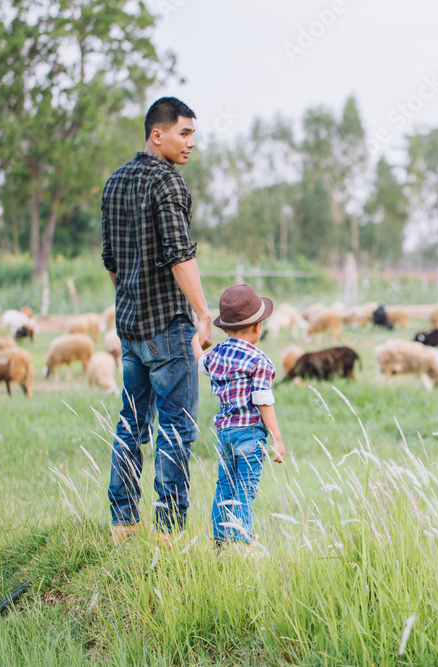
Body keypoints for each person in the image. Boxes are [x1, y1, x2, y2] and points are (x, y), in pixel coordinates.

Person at [101, 97, 214, 545]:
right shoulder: (168, 182)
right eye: (184, 133)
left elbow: (111, 259)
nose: (190, 143)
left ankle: (123, 526)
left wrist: (129, 297)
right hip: (167, 326)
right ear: (157, 134)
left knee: (130, 424)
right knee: (177, 429)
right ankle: (170, 534)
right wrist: (204, 315)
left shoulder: (114, 183)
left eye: (193, 134)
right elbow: (179, 255)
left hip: (129, 327)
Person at [191, 284, 286, 549]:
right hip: (250, 434)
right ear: (258, 327)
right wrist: (277, 439)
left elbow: (201, 362)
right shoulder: (260, 361)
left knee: (225, 486)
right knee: (245, 488)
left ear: (223, 329)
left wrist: (194, 342)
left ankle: (221, 540)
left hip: (225, 435)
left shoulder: (218, 355)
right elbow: (263, 401)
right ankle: (243, 542)